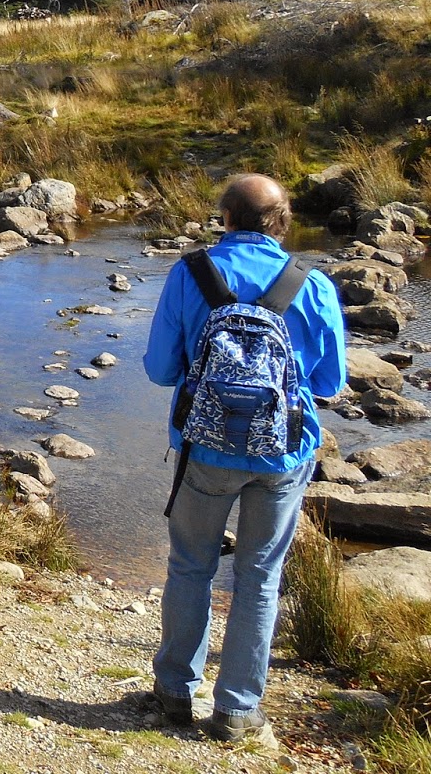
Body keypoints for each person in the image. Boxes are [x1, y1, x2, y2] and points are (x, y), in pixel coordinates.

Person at [143, 173, 346, 741]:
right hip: (283, 452)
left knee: (191, 564)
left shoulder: (191, 274)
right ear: (281, 222)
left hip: (204, 449)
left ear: (225, 218)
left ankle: (175, 693)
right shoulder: (313, 284)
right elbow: (329, 382)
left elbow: (160, 371)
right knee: (260, 576)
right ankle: (236, 710)